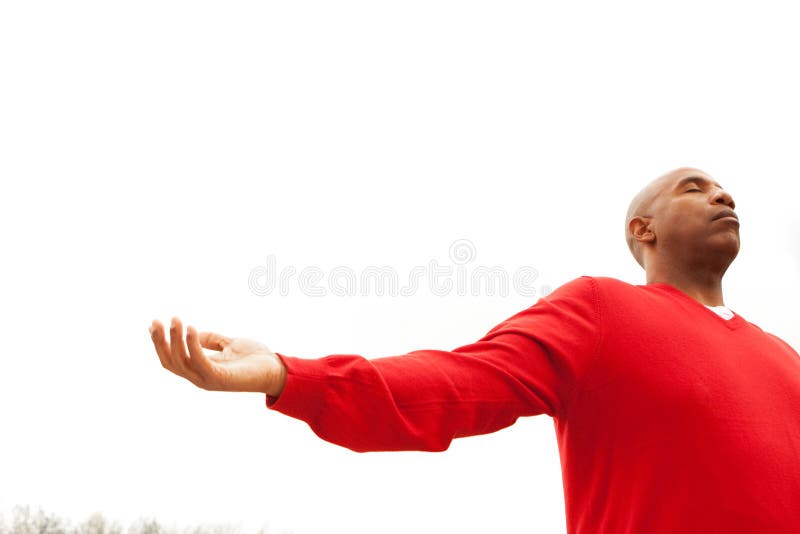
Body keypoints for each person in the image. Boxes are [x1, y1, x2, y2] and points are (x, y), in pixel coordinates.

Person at [148, 167, 800, 534]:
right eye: (694, 187)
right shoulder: (605, 312)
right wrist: (290, 375)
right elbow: (461, 382)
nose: (723, 195)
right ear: (643, 229)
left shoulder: (785, 360)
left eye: (725, 190)